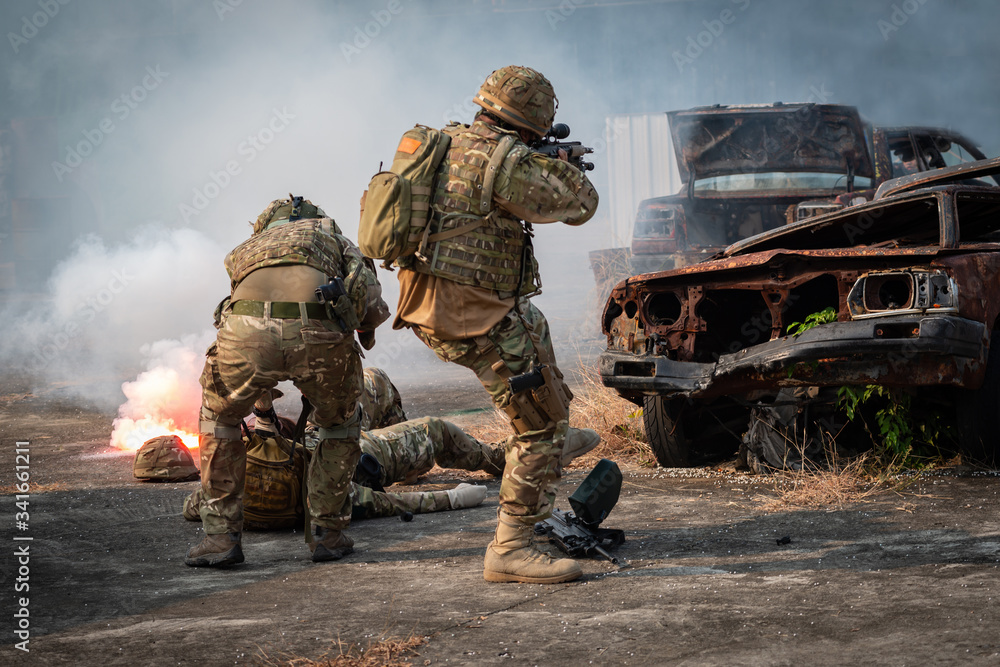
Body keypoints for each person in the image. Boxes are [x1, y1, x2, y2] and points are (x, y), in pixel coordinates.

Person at [388, 66, 599, 583]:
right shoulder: (510, 162)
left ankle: (539, 477)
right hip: (474, 312)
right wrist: (564, 167)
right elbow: (582, 206)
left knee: (534, 325)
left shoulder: (442, 142)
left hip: (427, 304)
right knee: (541, 422)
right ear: (534, 122)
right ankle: (510, 547)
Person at [186, 194, 388, 567]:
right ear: (317, 218)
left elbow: (236, 301)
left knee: (220, 420)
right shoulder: (333, 238)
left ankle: (220, 539)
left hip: (247, 333)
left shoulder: (245, 248)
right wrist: (363, 329)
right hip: (318, 332)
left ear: (267, 223)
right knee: (339, 426)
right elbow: (369, 302)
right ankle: (328, 534)